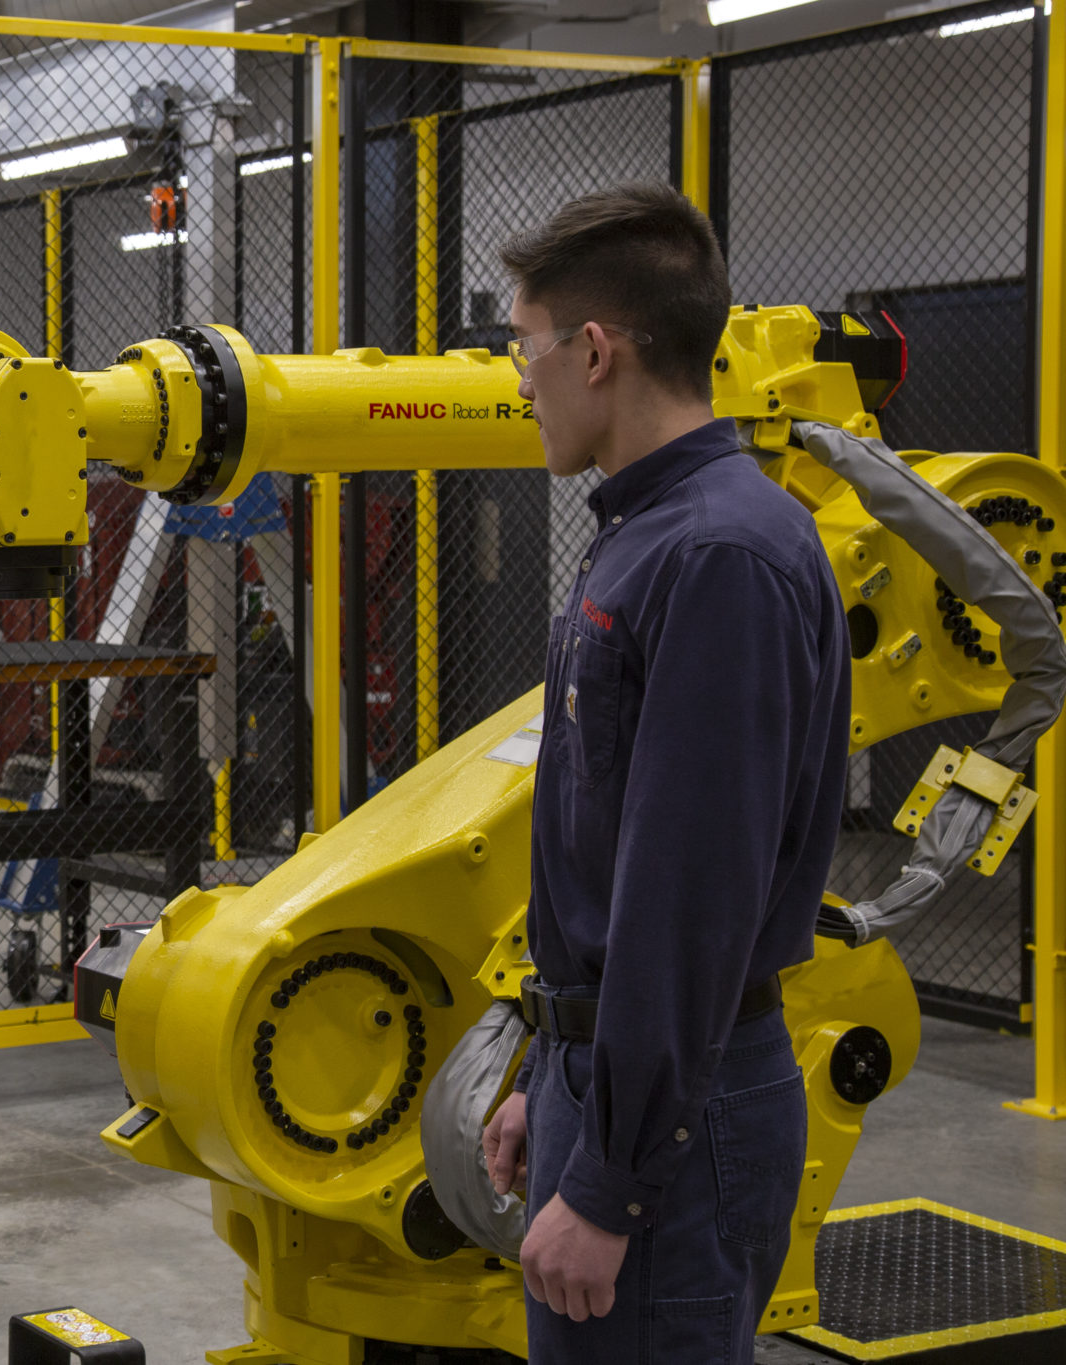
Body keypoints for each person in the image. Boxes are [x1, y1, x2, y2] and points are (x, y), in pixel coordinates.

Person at [476, 183, 850, 1363]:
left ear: (595, 351)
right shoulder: (645, 533)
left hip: (677, 1128)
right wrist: (550, 1075)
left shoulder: (716, 555)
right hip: (616, 1088)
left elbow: (687, 903)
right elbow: (599, 865)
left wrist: (610, 1181)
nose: (517, 381)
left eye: (524, 347)